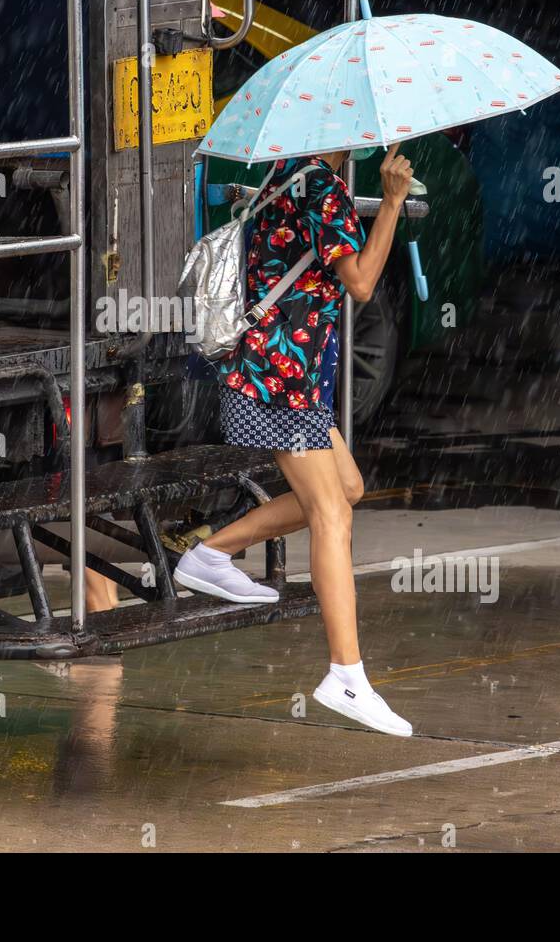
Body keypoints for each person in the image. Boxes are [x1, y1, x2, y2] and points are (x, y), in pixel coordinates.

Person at [172, 144, 416, 737]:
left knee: (347, 488)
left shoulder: (288, 176)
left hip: (286, 375)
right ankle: (347, 673)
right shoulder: (323, 191)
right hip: (279, 378)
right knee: (332, 514)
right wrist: (390, 204)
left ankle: (208, 554)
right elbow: (359, 283)